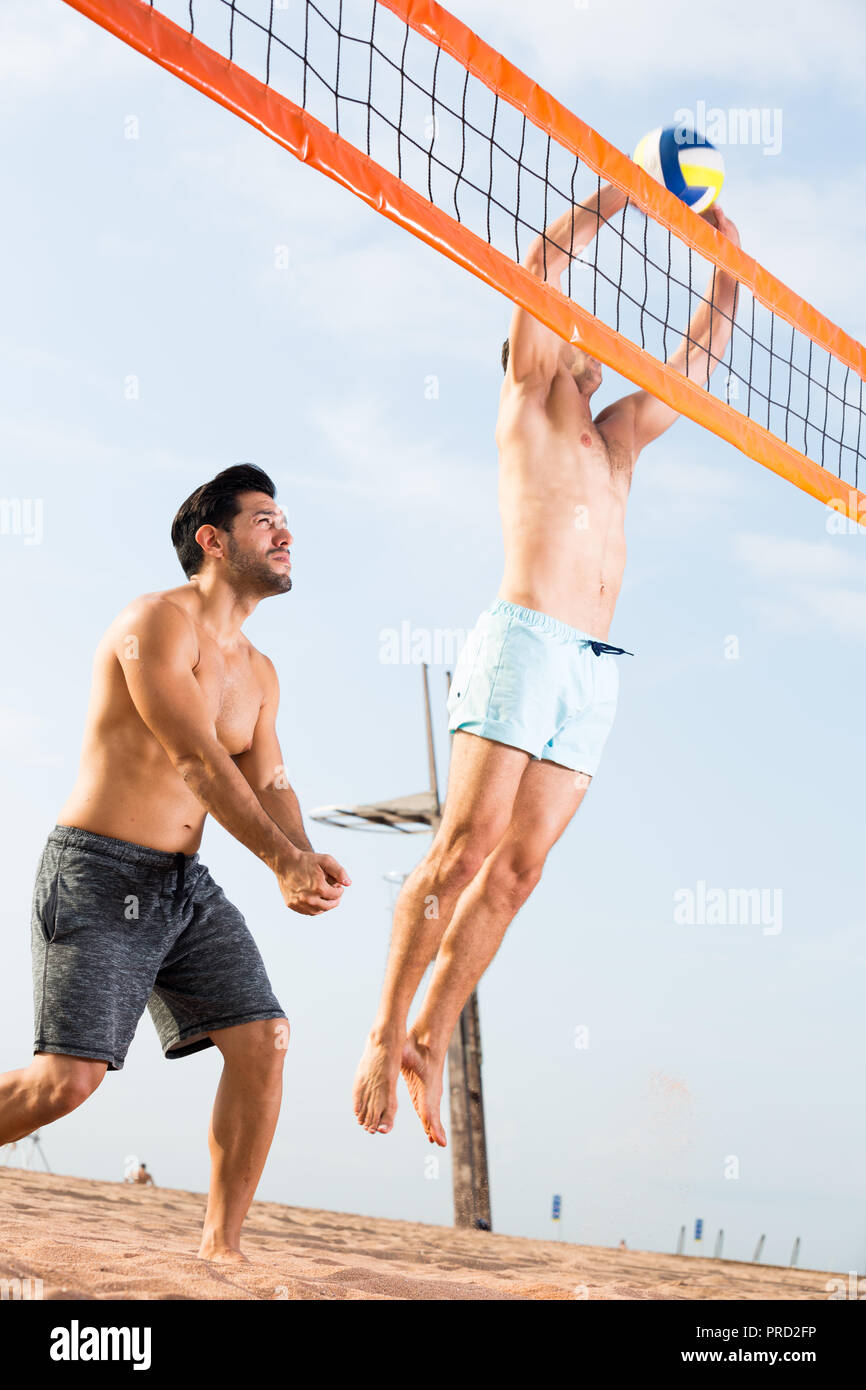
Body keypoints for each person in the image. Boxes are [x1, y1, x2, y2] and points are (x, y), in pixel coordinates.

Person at [354, 187, 740, 1145]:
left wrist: (727, 276)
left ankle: (429, 1039)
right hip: (523, 640)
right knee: (464, 847)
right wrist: (622, 188)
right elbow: (539, 269)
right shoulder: (527, 396)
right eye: (573, 331)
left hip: (591, 670)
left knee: (517, 873)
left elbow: (694, 374)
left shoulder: (614, 442)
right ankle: (379, 1030)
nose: (589, 335)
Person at [0, 464, 350, 1260]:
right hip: (98, 872)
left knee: (266, 1041)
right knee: (66, 1083)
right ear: (213, 540)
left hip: (182, 885)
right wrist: (277, 863)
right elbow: (196, 759)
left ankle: (220, 1249)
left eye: (285, 518)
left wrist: (303, 855)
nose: (286, 532)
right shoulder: (155, 622)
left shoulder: (260, 673)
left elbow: (269, 779)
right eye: (266, 520)